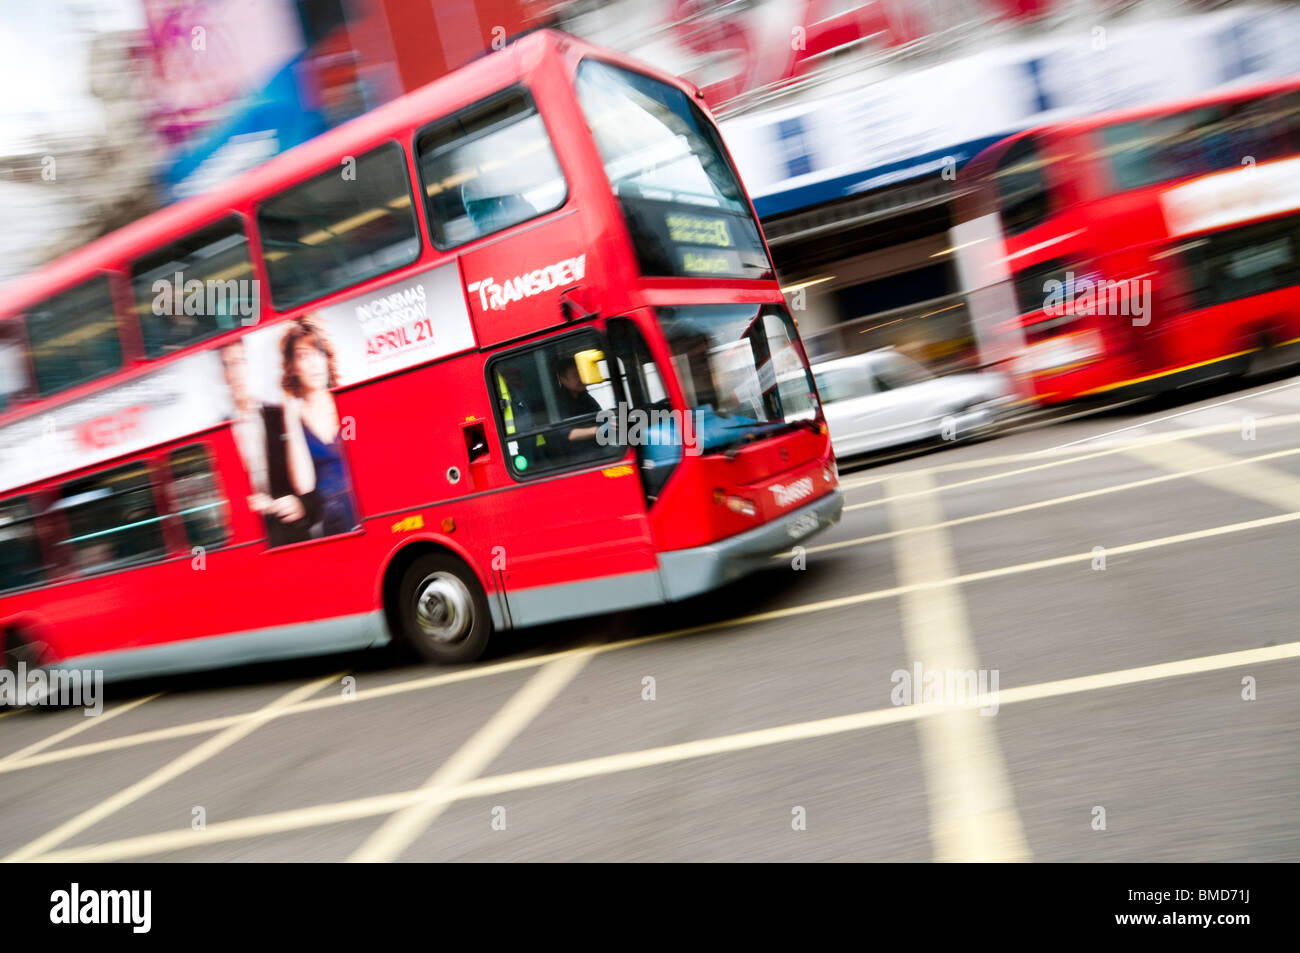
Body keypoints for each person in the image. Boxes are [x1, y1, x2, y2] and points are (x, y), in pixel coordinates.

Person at [218, 339, 318, 546]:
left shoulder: (279, 416)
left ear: (251, 367)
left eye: (240, 362)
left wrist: (301, 504)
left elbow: (318, 484)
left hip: (292, 537)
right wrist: (244, 505)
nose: (236, 372)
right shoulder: (219, 432)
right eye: (228, 365)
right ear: (223, 375)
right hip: (248, 545)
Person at [280, 316, 358, 537]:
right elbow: (304, 484)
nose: (315, 363)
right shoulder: (296, 415)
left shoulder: (346, 401)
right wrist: (291, 417)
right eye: (305, 356)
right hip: (332, 519)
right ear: (293, 366)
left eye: (319, 353)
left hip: (365, 505)